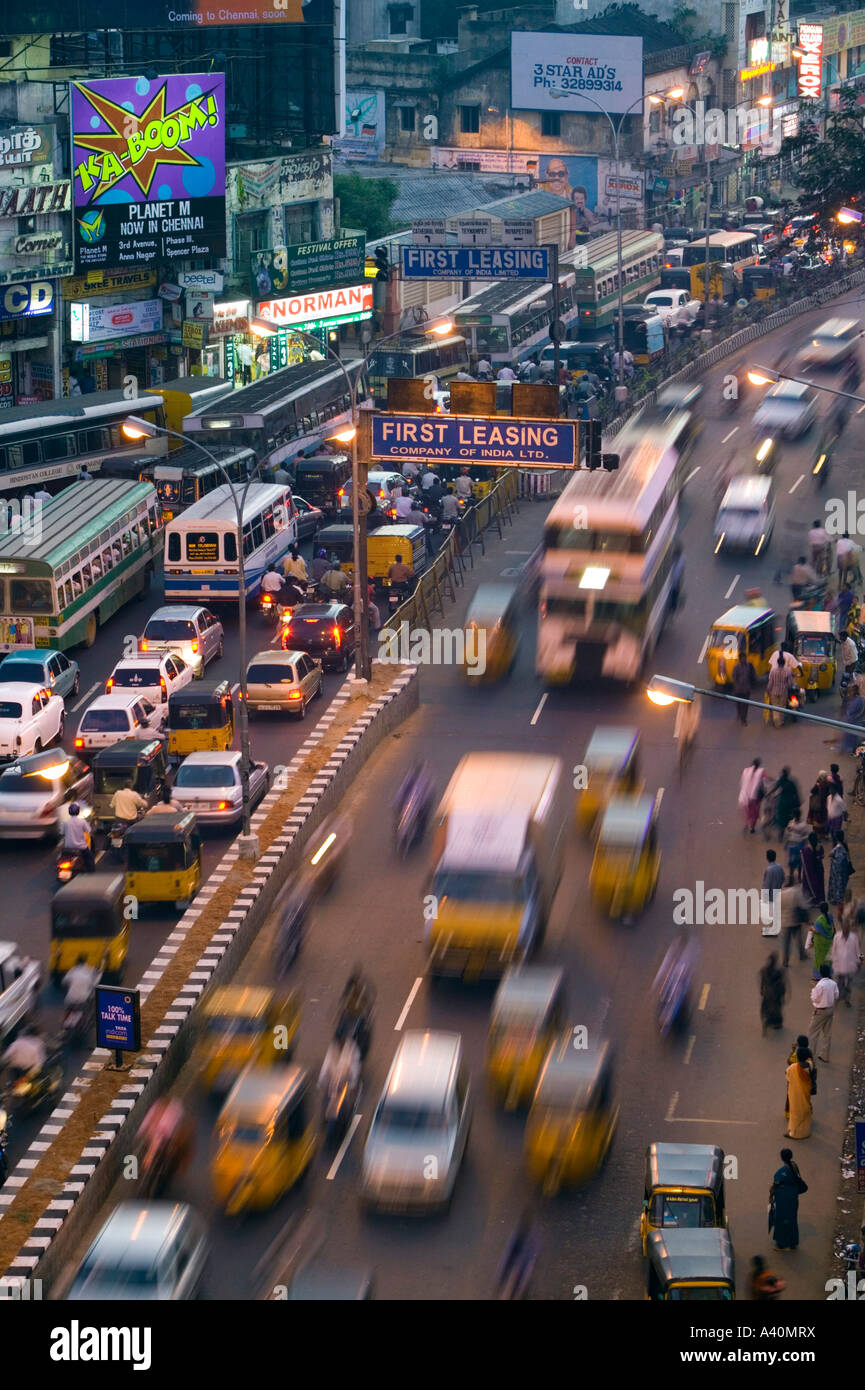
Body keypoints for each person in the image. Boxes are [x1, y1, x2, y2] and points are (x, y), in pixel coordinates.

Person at [495, 1209, 541, 1300]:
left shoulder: (527, 1238)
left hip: (519, 1274)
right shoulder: (531, 1238)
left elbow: (507, 1257)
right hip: (520, 1274)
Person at [770, 1150, 807, 1246]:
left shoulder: (781, 1172)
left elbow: (775, 1184)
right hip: (793, 1197)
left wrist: (771, 1196)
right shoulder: (794, 1166)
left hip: (783, 1199)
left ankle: (782, 1244)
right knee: (792, 1219)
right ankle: (792, 1242)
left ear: (782, 1158)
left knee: (781, 1220)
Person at [809, 962, 839, 1061]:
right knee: (827, 1033)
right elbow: (836, 996)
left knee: (813, 1032)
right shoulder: (833, 983)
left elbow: (814, 998)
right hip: (830, 1010)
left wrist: (813, 990)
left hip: (820, 1011)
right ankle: (824, 1055)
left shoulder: (820, 985)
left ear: (821, 973)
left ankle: (810, 1055)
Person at [830, 915, 862, 1005]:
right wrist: (833, 961)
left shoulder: (854, 938)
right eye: (844, 929)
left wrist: (859, 962)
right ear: (842, 928)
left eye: (847, 929)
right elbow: (833, 950)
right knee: (838, 983)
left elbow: (857, 951)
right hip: (839, 965)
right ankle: (837, 998)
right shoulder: (837, 937)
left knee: (848, 984)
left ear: (849, 929)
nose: (845, 931)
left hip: (850, 965)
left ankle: (847, 999)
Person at [779, 881, 808, 966]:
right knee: (799, 939)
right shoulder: (796, 892)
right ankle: (802, 955)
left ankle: (785, 961)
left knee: (786, 942)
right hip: (795, 920)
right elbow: (803, 905)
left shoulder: (781, 894)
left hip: (785, 921)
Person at [759, 952, 787, 1034]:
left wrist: (762, 990)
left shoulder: (764, 970)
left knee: (766, 1007)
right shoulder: (779, 971)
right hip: (776, 994)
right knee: (777, 1008)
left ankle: (766, 1021)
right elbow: (783, 984)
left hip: (767, 993)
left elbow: (762, 982)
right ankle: (776, 1024)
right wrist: (784, 995)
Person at [62, 802, 95, 872]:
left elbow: (62, 833)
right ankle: (91, 871)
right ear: (78, 811)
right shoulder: (82, 822)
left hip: (68, 847)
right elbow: (88, 830)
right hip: (81, 847)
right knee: (90, 858)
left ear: (69, 812)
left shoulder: (65, 822)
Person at [739, 758, 768, 834]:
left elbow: (742, 782)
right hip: (755, 798)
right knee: (755, 813)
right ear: (758, 765)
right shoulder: (761, 772)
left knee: (748, 811)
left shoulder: (746, 770)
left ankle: (747, 823)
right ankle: (752, 827)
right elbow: (766, 780)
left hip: (744, 796)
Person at [772, 767, 801, 840]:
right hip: (790, 804)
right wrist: (798, 803)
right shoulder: (791, 783)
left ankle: (781, 838)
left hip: (781, 804)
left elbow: (774, 789)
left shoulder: (781, 781)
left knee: (781, 823)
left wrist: (767, 795)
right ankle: (790, 837)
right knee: (790, 821)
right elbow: (796, 793)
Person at [766, 650, 794, 726]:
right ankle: (781, 721)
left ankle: (776, 721)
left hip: (774, 692)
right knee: (782, 707)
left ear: (777, 663)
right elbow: (790, 683)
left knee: (775, 707)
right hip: (783, 692)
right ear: (784, 663)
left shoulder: (773, 671)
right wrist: (789, 687)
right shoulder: (787, 671)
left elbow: (770, 683)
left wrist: (768, 691)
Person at [809, 901, 835, 981]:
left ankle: (818, 976)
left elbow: (817, 931)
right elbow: (832, 926)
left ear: (820, 910)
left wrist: (811, 928)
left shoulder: (819, 921)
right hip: (828, 941)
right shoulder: (830, 916)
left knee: (819, 959)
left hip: (820, 943)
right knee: (828, 958)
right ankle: (829, 973)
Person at [783, 813, 809, 885]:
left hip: (799, 846)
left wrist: (805, 847)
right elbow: (787, 834)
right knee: (791, 864)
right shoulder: (791, 823)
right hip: (792, 846)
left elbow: (805, 837)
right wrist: (786, 844)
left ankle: (799, 878)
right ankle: (791, 879)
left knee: (800, 863)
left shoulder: (803, 825)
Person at [800, 833, 825, 907]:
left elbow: (804, 862)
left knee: (809, 884)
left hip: (809, 871)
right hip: (819, 869)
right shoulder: (820, 847)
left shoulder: (805, 850)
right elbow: (822, 856)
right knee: (819, 884)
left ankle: (811, 901)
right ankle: (819, 900)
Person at [731, 646, 755, 723]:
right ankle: (739, 714)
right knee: (739, 704)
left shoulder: (749, 666)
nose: (745, 659)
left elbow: (753, 675)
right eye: (743, 658)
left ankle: (743, 719)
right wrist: (736, 686)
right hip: (739, 689)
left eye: (745, 658)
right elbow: (734, 677)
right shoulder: (737, 668)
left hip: (747, 689)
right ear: (740, 659)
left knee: (745, 705)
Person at [807, 772, 830, 838]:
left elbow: (812, 791)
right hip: (824, 804)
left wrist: (817, 786)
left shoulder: (818, 783)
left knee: (817, 819)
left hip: (818, 804)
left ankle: (817, 834)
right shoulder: (827, 784)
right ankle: (823, 834)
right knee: (823, 818)